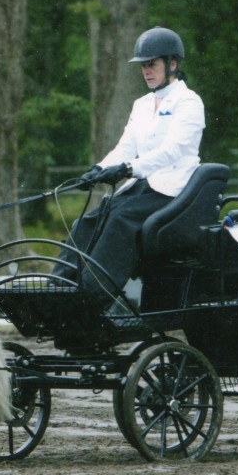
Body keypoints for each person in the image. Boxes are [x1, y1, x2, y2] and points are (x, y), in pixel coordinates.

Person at [52, 26, 205, 304]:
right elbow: (125, 147)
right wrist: (99, 169)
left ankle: (93, 295)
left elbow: (172, 150)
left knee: (120, 221)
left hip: (173, 189)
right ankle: (58, 285)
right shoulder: (142, 104)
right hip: (142, 186)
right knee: (88, 221)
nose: (147, 71)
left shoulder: (189, 102)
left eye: (152, 64)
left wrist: (129, 169)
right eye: (143, 66)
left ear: (172, 64)